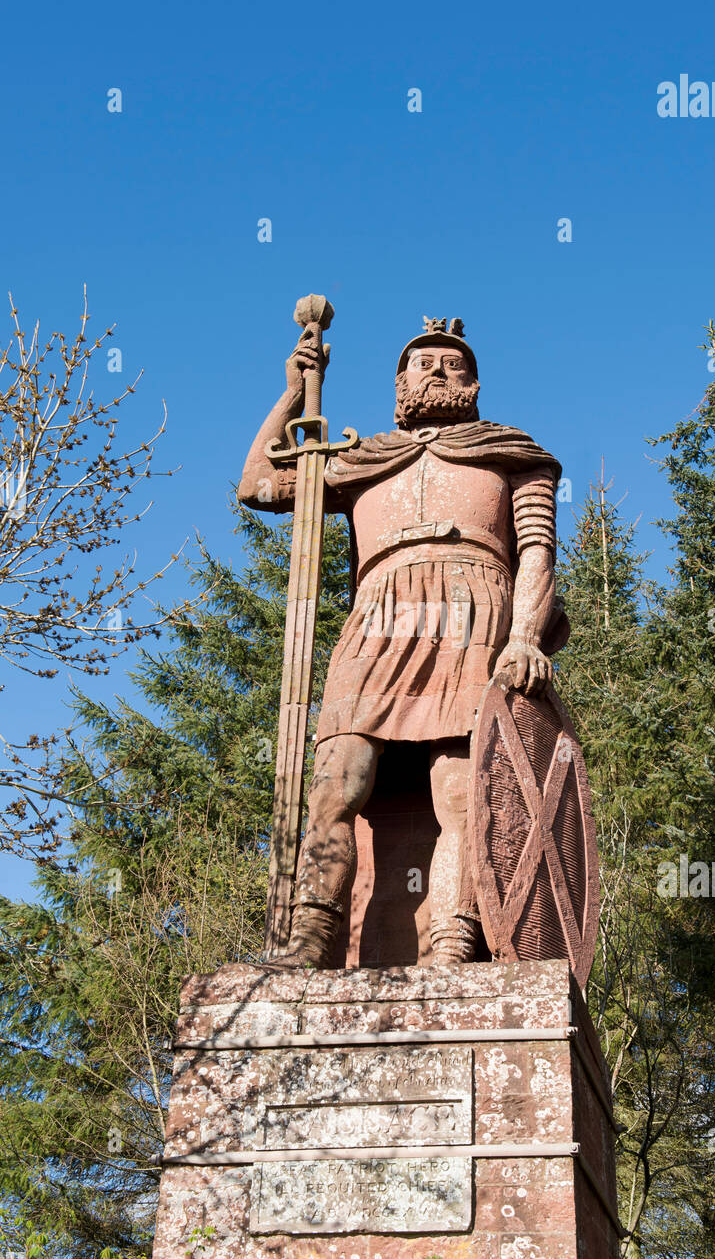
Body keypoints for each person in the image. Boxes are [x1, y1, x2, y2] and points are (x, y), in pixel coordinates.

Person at [238, 316, 566, 967]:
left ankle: (451, 942)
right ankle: (307, 943)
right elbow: (257, 487)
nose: (437, 370)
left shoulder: (511, 454)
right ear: (399, 383)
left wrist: (525, 637)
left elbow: (537, 553)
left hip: (471, 615)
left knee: (462, 794)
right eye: (422, 363)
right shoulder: (362, 461)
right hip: (376, 621)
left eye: (451, 363)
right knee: (336, 786)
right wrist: (293, 394)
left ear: (473, 383)